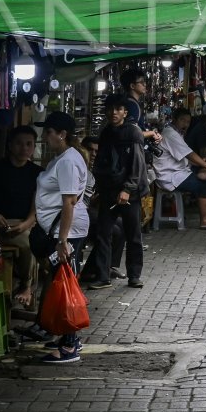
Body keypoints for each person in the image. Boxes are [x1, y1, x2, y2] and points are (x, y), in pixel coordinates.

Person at [29, 111, 90, 363]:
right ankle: (66, 336)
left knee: (65, 283)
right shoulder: (65, 158)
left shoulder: (67, 161)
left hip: (67, 232)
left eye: (49, 132)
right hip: (62, 231)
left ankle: (69, 345)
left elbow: (69, 202)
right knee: (61, 281)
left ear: (61, 135)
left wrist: (63, 240)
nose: (45, 137)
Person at [84, 96, 147, 290]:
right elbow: (103, 162)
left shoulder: (134, 133)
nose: (114, 113)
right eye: (110, 109)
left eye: (118, 109)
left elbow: (137, 166)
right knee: (104, 233)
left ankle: (134, 275)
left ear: (125, 112)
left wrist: (127, 189)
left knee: (133, 234)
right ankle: (103, 276)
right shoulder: (106, 133)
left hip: (130, 193)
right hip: (109, 191)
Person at [0, 126, 40, 308]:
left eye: (29, 144)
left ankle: (27, 287)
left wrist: (26, 224)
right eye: (19, 143)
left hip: (23, 224)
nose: (24, 148)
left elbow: (35, 210)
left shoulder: (37, 173)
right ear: (10, 145)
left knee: (30, 243)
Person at [153, 108, 206, 230]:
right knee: (205, 184)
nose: (185, 124)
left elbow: (183, 156)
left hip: (178, 172)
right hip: (169, 176)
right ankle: (205, 221)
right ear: (174, 120)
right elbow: (189, 154)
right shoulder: (170, 134)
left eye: (188, 121)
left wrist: (203, 165)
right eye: (182, 120)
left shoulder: (177, 133)